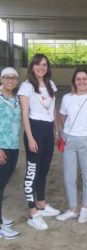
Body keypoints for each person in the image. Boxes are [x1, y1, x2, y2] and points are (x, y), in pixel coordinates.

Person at [55, 69, 87, 223]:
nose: (81, 82)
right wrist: (70, 132)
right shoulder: (67, 98)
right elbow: (62, 117)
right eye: (78, 79)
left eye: (84, 79)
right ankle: (72, 208)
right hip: (69, 140)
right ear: (74, 81)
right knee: (69, 176)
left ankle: (84, 208)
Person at [18, 54, 60, 230]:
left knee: (43, 169)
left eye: (44, 65)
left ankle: (41, 204)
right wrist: (30, 137)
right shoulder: (26, 87)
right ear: (32, 67)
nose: (41, 67)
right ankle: (32, 213)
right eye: (37, 64)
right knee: (32, 172)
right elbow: (25, 114)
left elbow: (53, 110)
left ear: (47, 67)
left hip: (48, 131)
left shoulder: (50, 85)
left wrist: (56, 130)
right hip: (34, 129)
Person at [0, 67, 21, 240]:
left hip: (13, 146)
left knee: (3, 183)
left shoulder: (15, 99)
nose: (10, 80)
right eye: (7, 77)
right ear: (1, 79)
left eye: (13, 77)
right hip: (1, 147)